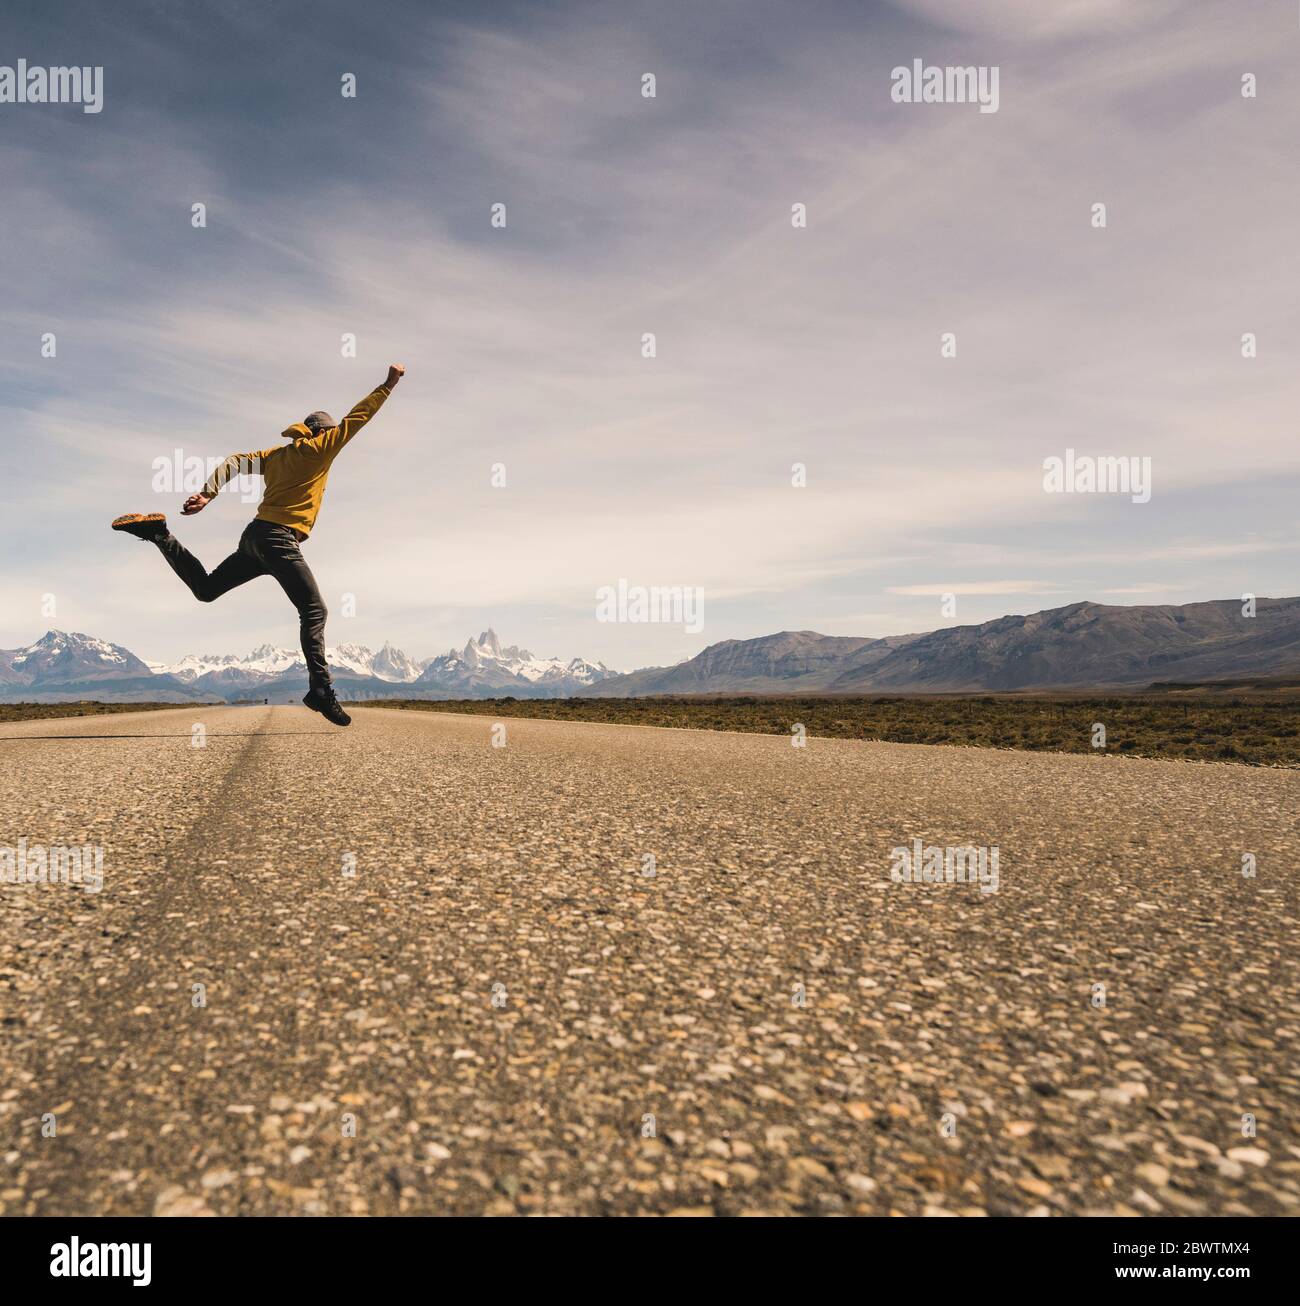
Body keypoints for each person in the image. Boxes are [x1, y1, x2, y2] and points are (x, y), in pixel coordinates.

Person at [111, 364, 406, 726]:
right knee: (315, 611)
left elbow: (236, 461)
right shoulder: (321, 448)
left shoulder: (277, 456)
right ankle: (321, 691)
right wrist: (389, 384)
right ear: (323, 433)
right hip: (279, 541)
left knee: (205, 589)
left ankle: (159, 535)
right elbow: (358, 417)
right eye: (332, 435)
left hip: (255, 538)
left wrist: (207, 493)